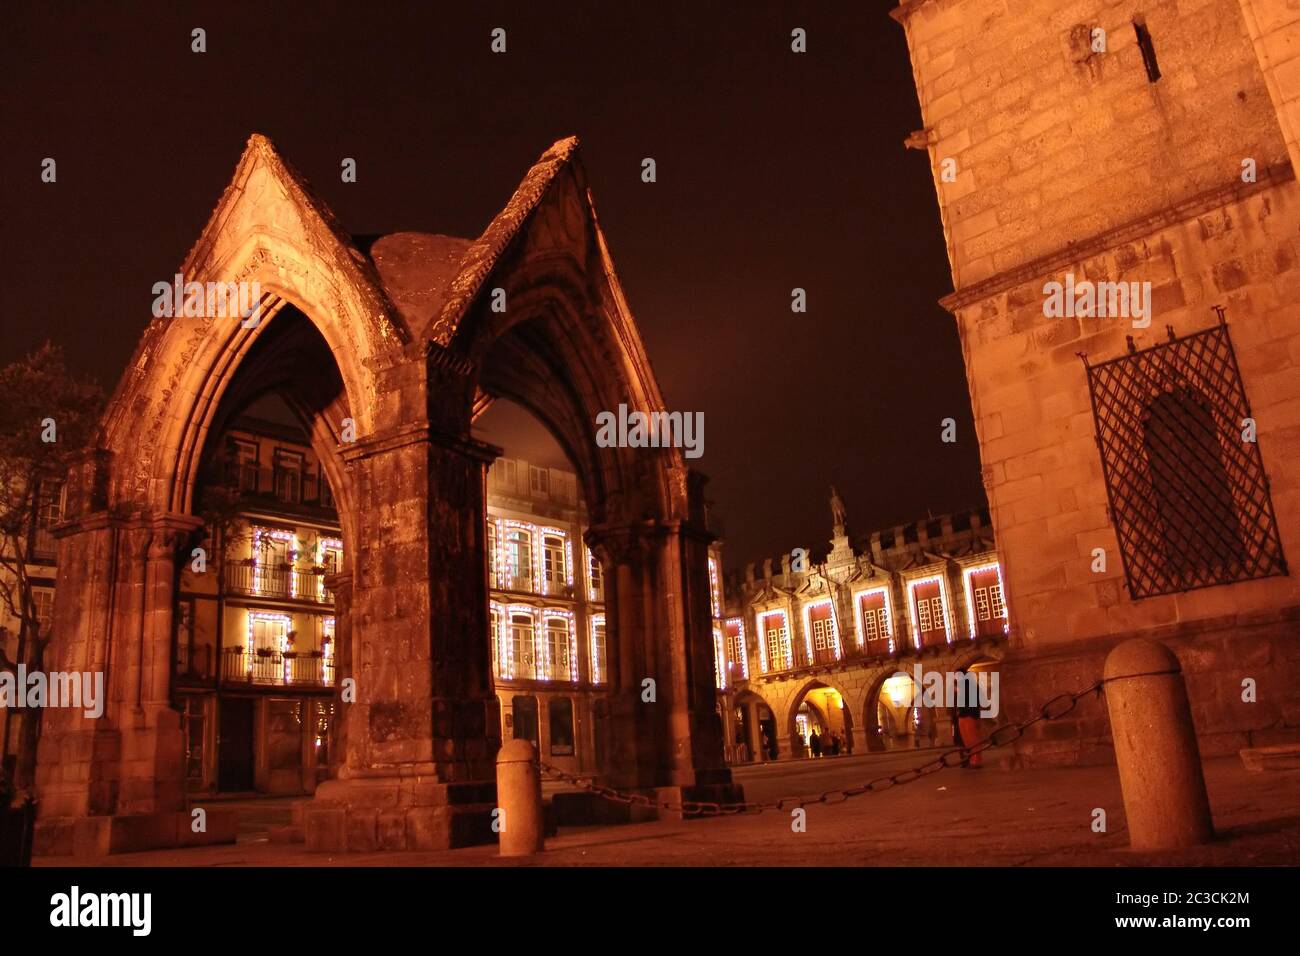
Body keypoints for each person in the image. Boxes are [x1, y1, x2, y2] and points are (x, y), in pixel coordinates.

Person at [952, 668, 984, 769]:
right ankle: (971, 759)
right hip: (962, 715)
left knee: (973, 739)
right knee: (966, 740)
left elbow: (976, 700)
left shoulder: (971, 686)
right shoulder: (960, 687)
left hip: (970, 714)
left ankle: (976, 760)